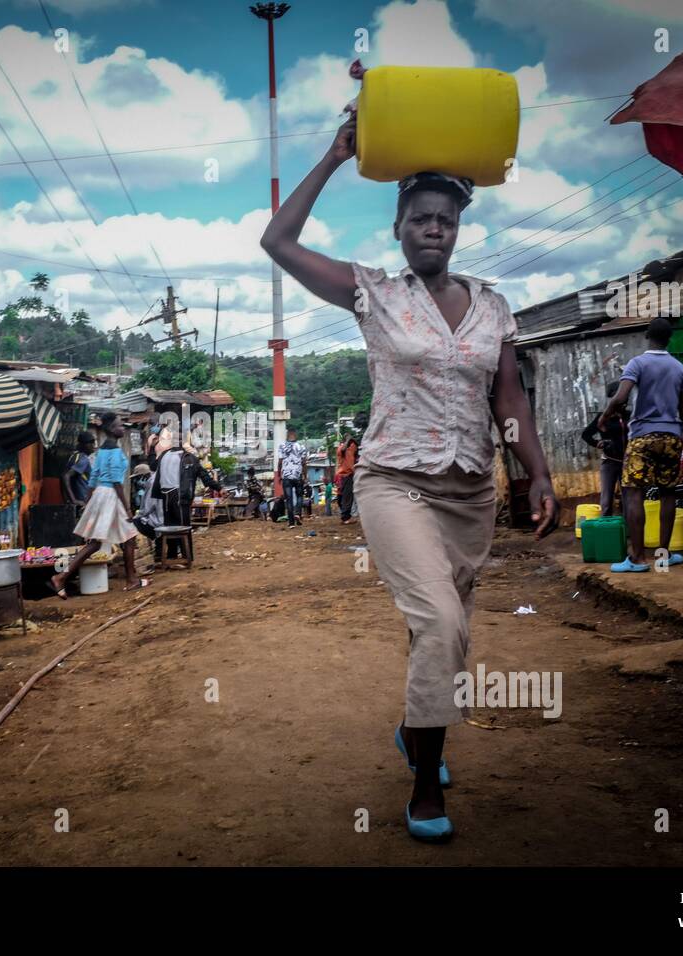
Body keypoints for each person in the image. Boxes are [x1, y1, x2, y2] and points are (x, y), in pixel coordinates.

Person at [260, 113, 558, 842]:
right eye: (420, 219)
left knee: (450, 636)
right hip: (394, 483)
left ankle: (414, 729)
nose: (434, 230)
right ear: (397, 228)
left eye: (446, 221)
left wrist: (539, 474)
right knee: (441, 621)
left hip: (470, 494)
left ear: (458, 229)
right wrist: (335, 155)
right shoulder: (373, 294)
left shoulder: (492, 307)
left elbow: (508, 399)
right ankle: (427, 782)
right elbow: (277, 242)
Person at [598, 317, 683, 571]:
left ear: (647, 335)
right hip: (672, 438)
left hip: (643, 436)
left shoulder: (638, 363)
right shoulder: (678, 368)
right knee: (668, 494)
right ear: (669, 338)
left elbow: (621, 397)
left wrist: (604, 416)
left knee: (633, 492)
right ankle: (664, 555)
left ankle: (637, 558)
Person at [51, 411, 147, 596]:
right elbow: (116, 482)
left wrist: (89, 500)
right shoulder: (114, 451)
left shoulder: (102, 450)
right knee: (128, 538)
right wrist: (127, 508)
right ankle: (131, 580)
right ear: (111, 429)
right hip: (111, 496)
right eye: (120, 425)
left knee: (96, 543)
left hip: (100, 496)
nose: (122, 428)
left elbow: (94, 478)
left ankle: (61, 577)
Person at [151, 442, 220, 559]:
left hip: (166, 497)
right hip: (180, 497)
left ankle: (172, 556)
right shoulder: (190, 458)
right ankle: (186, 556)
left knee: (170, 527)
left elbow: (153, 467)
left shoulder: (164, 456)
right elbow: (205, 478)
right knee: (183, 527)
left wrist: (154, 450)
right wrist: (219, 488)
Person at [581, 382, 628, 516]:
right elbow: (586, 434)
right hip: (609, 462)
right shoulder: (604, 417)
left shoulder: (628, 416)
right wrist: (597, 443)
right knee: (607, 501)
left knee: (628, 500)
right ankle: (607, 530)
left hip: (627, 463)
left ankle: (628, 531)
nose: (624, 400)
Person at [334, 414, 365, 523]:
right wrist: (348, 440)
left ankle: (346, 515)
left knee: (347, 496)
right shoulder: (341, 449)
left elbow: (357, 453)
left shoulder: (351, 449)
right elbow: (342, 450)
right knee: (346, 496)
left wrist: (352, 441)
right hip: (344, 474)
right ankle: (345, 517)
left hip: (349, 474)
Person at [275, 427, 308, 528]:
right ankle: (297, 513)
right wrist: (305, 476)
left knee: (288, 499)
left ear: (287, 435)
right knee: (299, 496)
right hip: (297, 476)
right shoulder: (301, 447)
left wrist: (279, 475)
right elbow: (304, 463)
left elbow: (280, 462)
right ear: (295, 435)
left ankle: (291, 523)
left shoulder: (282, 446)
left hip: (286, 476)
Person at [62, 431, 95, 514]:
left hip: (75, 506)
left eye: (93, 443)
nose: (93, 446)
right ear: (82, 445)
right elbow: (65, 476)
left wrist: (68, 499)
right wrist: (73, 500)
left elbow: (63, 476)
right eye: (89, 443)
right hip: (81, 505)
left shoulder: (73, 456)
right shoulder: (83, 459)